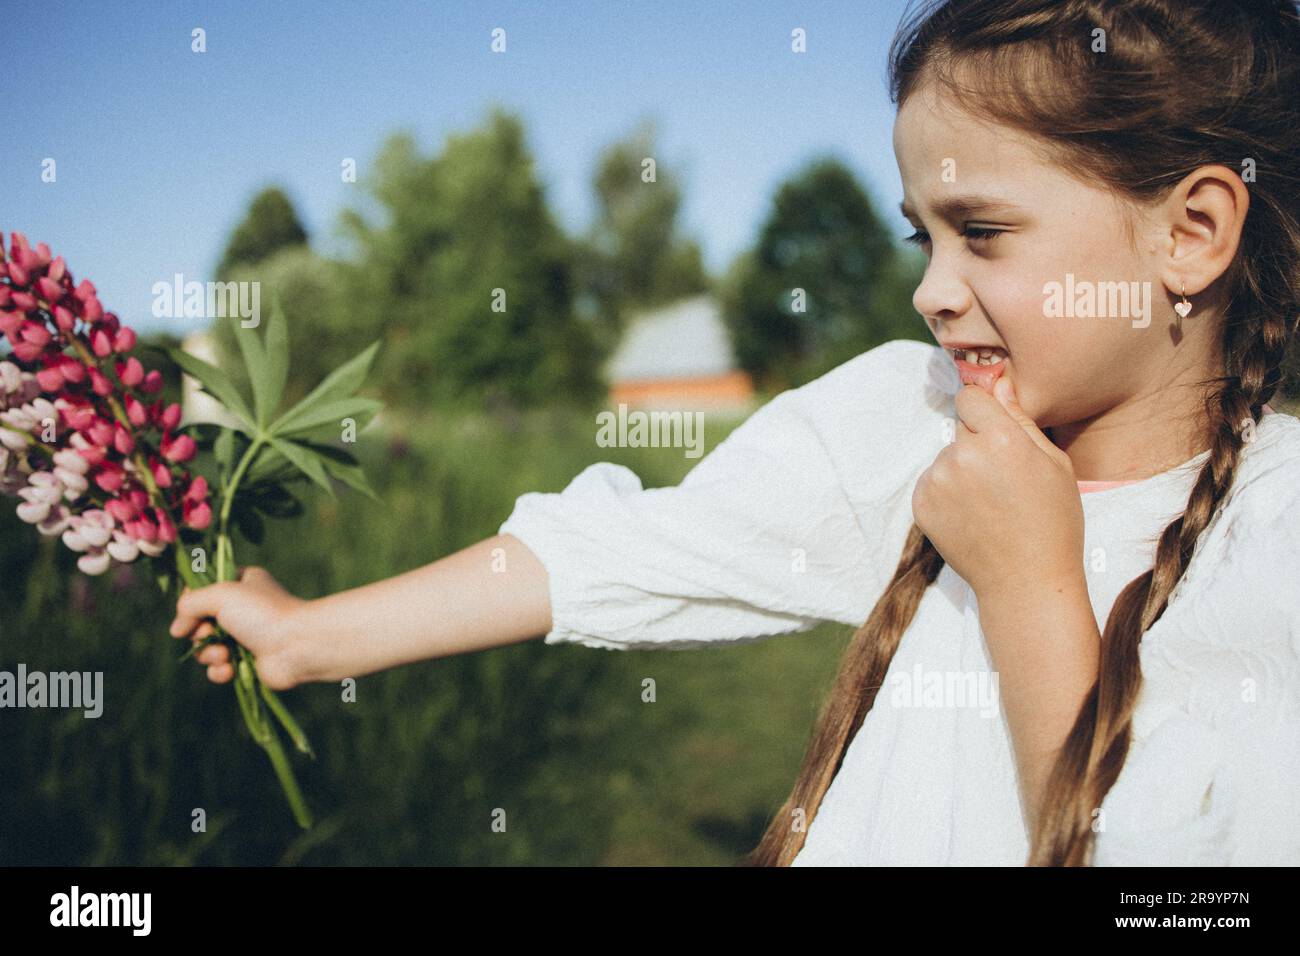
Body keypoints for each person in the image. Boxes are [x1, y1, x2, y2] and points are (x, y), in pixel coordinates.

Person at [169, 0, 1300, 866]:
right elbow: (631, 550)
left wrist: (1027, 585)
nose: (932, 291)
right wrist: (314, 635)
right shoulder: (905, 420)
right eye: (922, 240)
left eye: (983, 233)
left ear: (1191, 233)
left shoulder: (1277, 534)